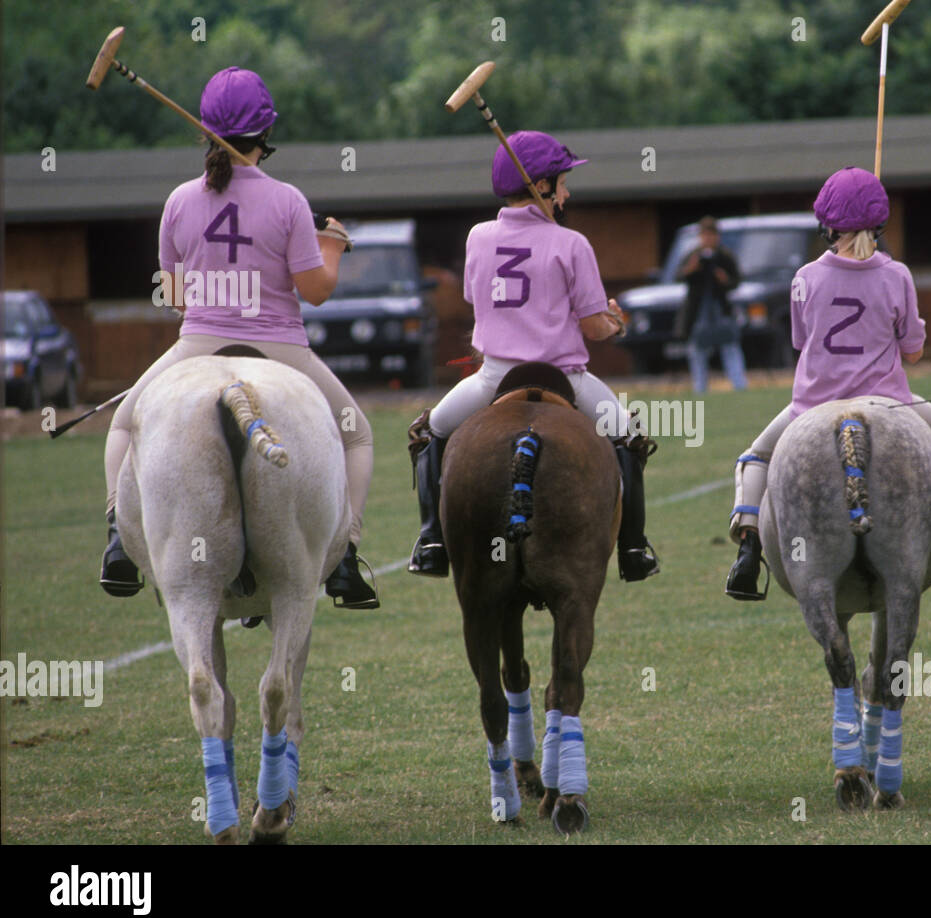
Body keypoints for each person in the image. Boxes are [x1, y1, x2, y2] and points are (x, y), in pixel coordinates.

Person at [99, 66, 379, 610]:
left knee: (125, 424)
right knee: (358, 435)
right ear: (265, 133)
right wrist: (335, 243)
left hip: (198, 345)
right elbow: (316, 291)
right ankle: (345, 556)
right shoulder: (289, 201)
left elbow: (175, 296)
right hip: (281, 349)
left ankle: (117, 540)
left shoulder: (179, 201)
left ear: (206, 132)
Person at [406, 130, 659, 583]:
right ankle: (634, 548)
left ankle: (431, 541)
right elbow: (594, 327)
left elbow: (475, 299)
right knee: (628, 438)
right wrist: (617, 322)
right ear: (540, 186)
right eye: (561, 183)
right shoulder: (572, 243)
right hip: (566, 378)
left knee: (430, 433)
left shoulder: (477, 237)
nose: (566, 192)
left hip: (495, 377)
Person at [725, 167, 931, 599]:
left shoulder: (804, 277)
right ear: (878, 222)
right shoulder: (897, 274)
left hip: (813, 404)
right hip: (889, 401)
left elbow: (800, 341)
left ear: (828, 225)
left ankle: (748, 553)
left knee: (754, 458)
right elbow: (913, 351)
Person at [673, 217, 747, 394]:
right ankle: (700, 389)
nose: (708, 239)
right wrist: (690, 270)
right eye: (704, 235)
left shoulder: (724, 256)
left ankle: (739, 385)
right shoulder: (693, 256)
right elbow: (678, 276)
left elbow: (736, 280)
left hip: (721, 310)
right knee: (697, 351)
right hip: (698, 312)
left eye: (711, 235)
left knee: (730, 346)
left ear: (717, 236)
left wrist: (725, 280)